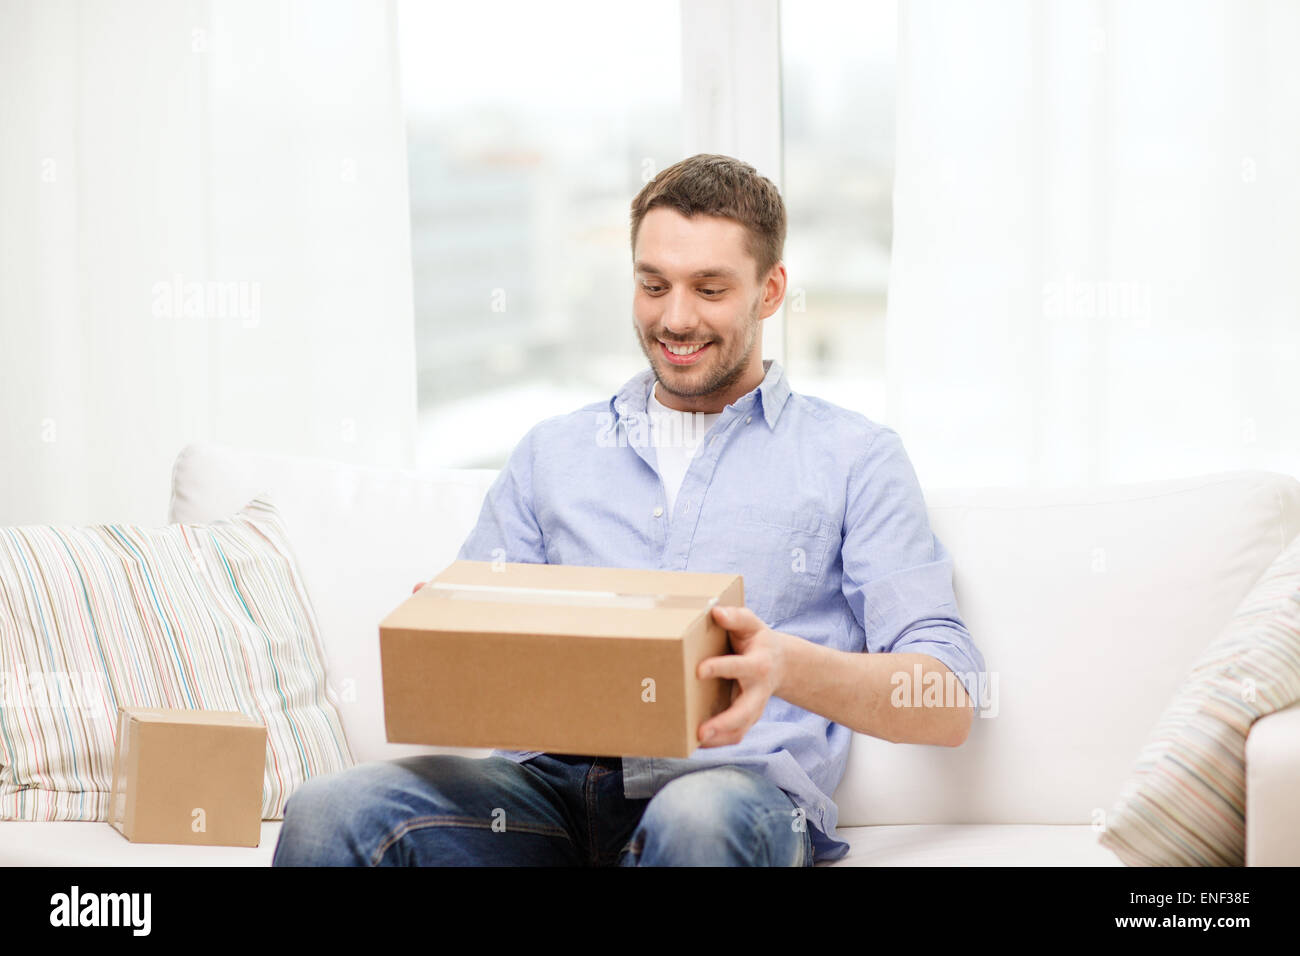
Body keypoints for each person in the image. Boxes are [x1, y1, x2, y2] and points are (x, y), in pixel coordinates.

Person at [272, 153, 985, 867]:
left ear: (770, 291)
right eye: (653, 285)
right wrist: (450, 635)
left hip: (728, 792)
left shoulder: (854, 458)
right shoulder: (552, 453)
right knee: (331, 809)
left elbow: (948, 699)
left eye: (710, 289)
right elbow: (474, 649)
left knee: (698, 821)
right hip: (539, 793)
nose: (675, 318)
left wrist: (784, 665)